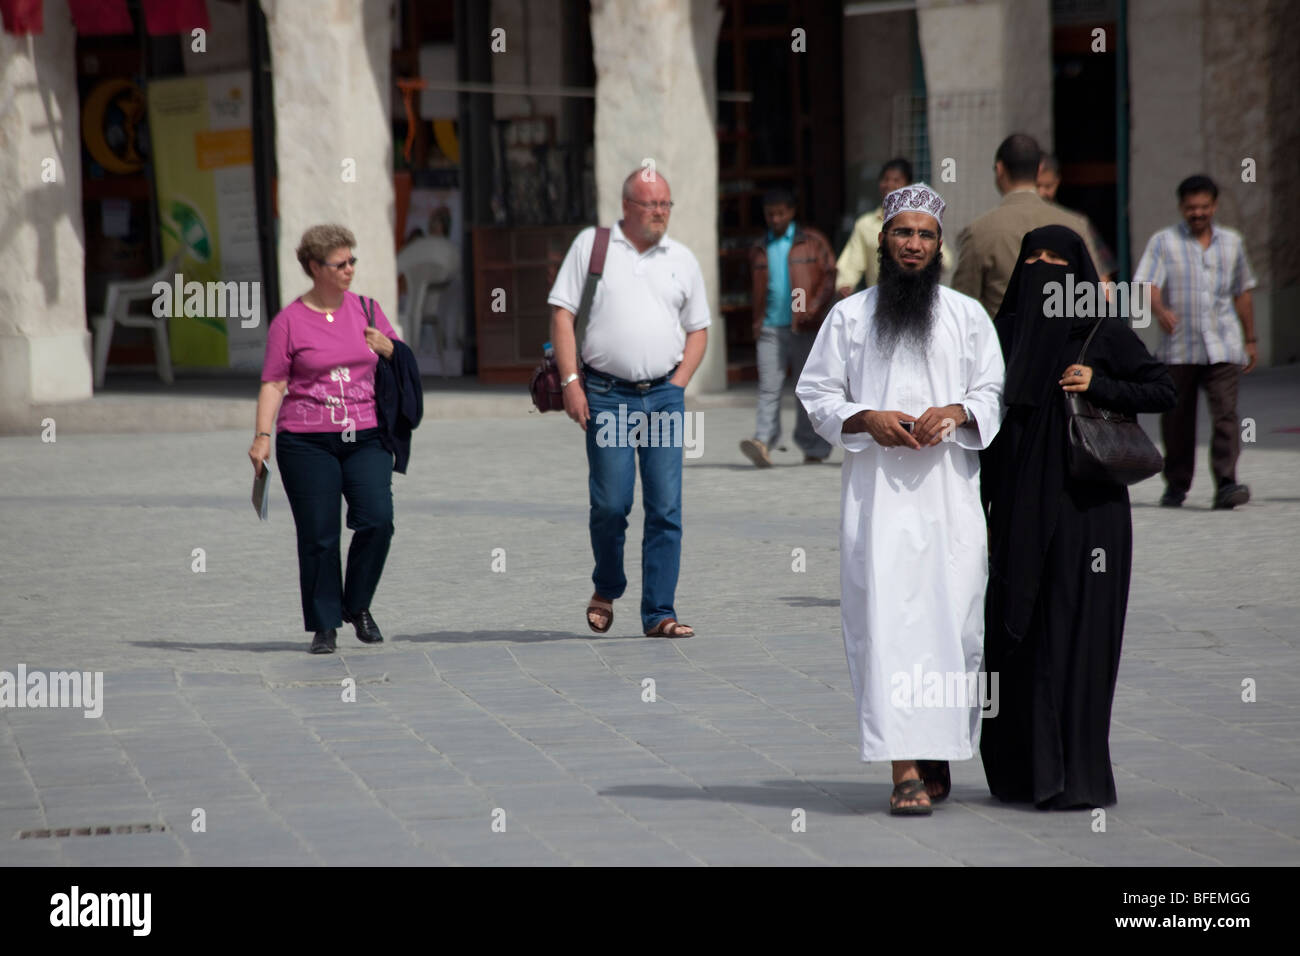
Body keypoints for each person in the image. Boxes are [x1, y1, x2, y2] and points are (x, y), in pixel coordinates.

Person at [797, 184, 1006, 815]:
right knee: (886, 626)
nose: (912, 244)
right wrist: (865, 418)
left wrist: (959, 410)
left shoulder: (968, 316)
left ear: (939, 245)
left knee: (952, 623)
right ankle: (905, 768)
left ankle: (936, 748)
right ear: (882, 241)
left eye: (924, 235)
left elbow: (994, 392)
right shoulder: (850, 317)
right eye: (901, 233)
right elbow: (817, 394)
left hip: (948, 503)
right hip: (879, 503)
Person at [980, 225, 1177, 808]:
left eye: (1057, 262)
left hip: (1088, 516)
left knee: (1078, 639)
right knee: (1019, 637)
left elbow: (1161, 389)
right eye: (1032, 260)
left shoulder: (1100, 329)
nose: (1044, 271)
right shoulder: (1002, 334)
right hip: (1017, 513)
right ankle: (1024, 774)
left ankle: (1078, 777)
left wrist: (1102, 383)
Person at [548, 168, 710, 638]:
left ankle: (660, 613)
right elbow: (562, 314)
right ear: (626, 207)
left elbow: (698, 328)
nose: (660, 212)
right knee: (611, 504)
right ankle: (607, 585)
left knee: (665, 508)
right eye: (650, 204)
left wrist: (678, 384)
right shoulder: (592, 246)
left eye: (665, 204)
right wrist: (571, 382)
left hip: (662, 396)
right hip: (606, 395)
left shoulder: (682, 258)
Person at [248, 224, 407, 655]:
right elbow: (274, 383)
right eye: (341, 263)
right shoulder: (289, 322)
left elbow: (402, 358)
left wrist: (389, 349)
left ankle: (357, 605)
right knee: (319, 535)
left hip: (367, 436)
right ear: (315, 268)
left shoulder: (368, 310)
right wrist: (262, 436)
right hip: (306, 441)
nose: (350, 269)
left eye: (352, 261)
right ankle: (324, 624)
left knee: (378, 519)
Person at [1132, 174, 1258, 510]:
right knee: (1176, 419)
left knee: (1225, 415)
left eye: (1204, 207)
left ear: (1214, 206)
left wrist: (1251, 339)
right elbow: (1147, 283)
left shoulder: (1231, 242)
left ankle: (1227, 483)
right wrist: (1159, 309)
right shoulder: (1164, 241)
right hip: (1180, 347)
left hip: (1223, 344)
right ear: (1181, 208)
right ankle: (1176, 484)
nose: (1198, 213)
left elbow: (1243, 291)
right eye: (1191, 208)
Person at [953, 133, 1102, 317]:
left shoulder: (979, 231)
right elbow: (1095, 294)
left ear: (1000, 170)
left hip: (1002, 344)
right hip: (1063, 343)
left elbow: (961, 306)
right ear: (1039, 169)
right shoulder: (1075, 225)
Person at [739, 188, 836, 468]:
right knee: (769, 388)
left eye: (781, 213)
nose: (775, 218)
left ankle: (814, 447)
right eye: (770, 214)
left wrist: (814, 308)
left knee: (805, 389)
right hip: (769, 328)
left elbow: (829, 274)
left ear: (792, 212)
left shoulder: (812, 242)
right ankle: (762, 441)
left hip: (803, 327)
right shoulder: (760, 247)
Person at [835, 158, 953, 296]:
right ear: (882, 238)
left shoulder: (923, 222)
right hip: (881, 299)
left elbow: (945, 261)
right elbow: (852, 262)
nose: (889, 184)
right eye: (885, 179)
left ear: (908, 185)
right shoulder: (865, 224)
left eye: (897, 180)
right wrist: (846, 284)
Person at [1037, 154, 1117, 282]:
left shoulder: (1077, 224)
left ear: (1057, 181)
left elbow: (1102, 280)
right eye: (1037, 186)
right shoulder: (1016, 221)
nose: (1041, 193)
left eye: (1047, 186)